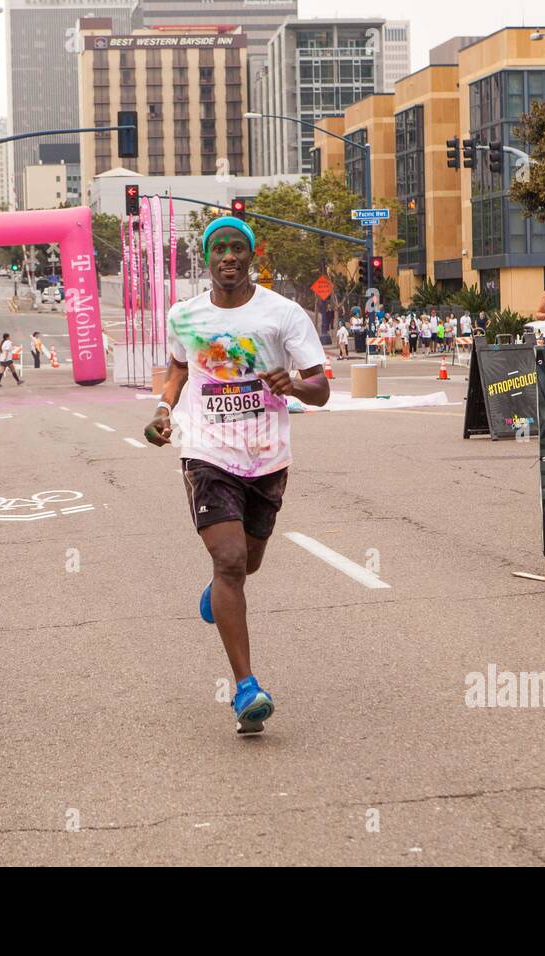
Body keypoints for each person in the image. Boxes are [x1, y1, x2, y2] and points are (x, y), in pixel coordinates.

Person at [143, 215, 330, 735]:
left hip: (267, 455)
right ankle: (246, 688)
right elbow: (180, 367)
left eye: (237, 248)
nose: (228, 255)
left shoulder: (284, 314)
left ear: (251, 256)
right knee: (228, 560)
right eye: (219, 248)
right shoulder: (185, 315)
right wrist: (164, 409)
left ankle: (218, 590)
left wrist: (291, 384)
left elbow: (321, 388)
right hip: (206, 451)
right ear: (207, 258)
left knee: (249, 561)